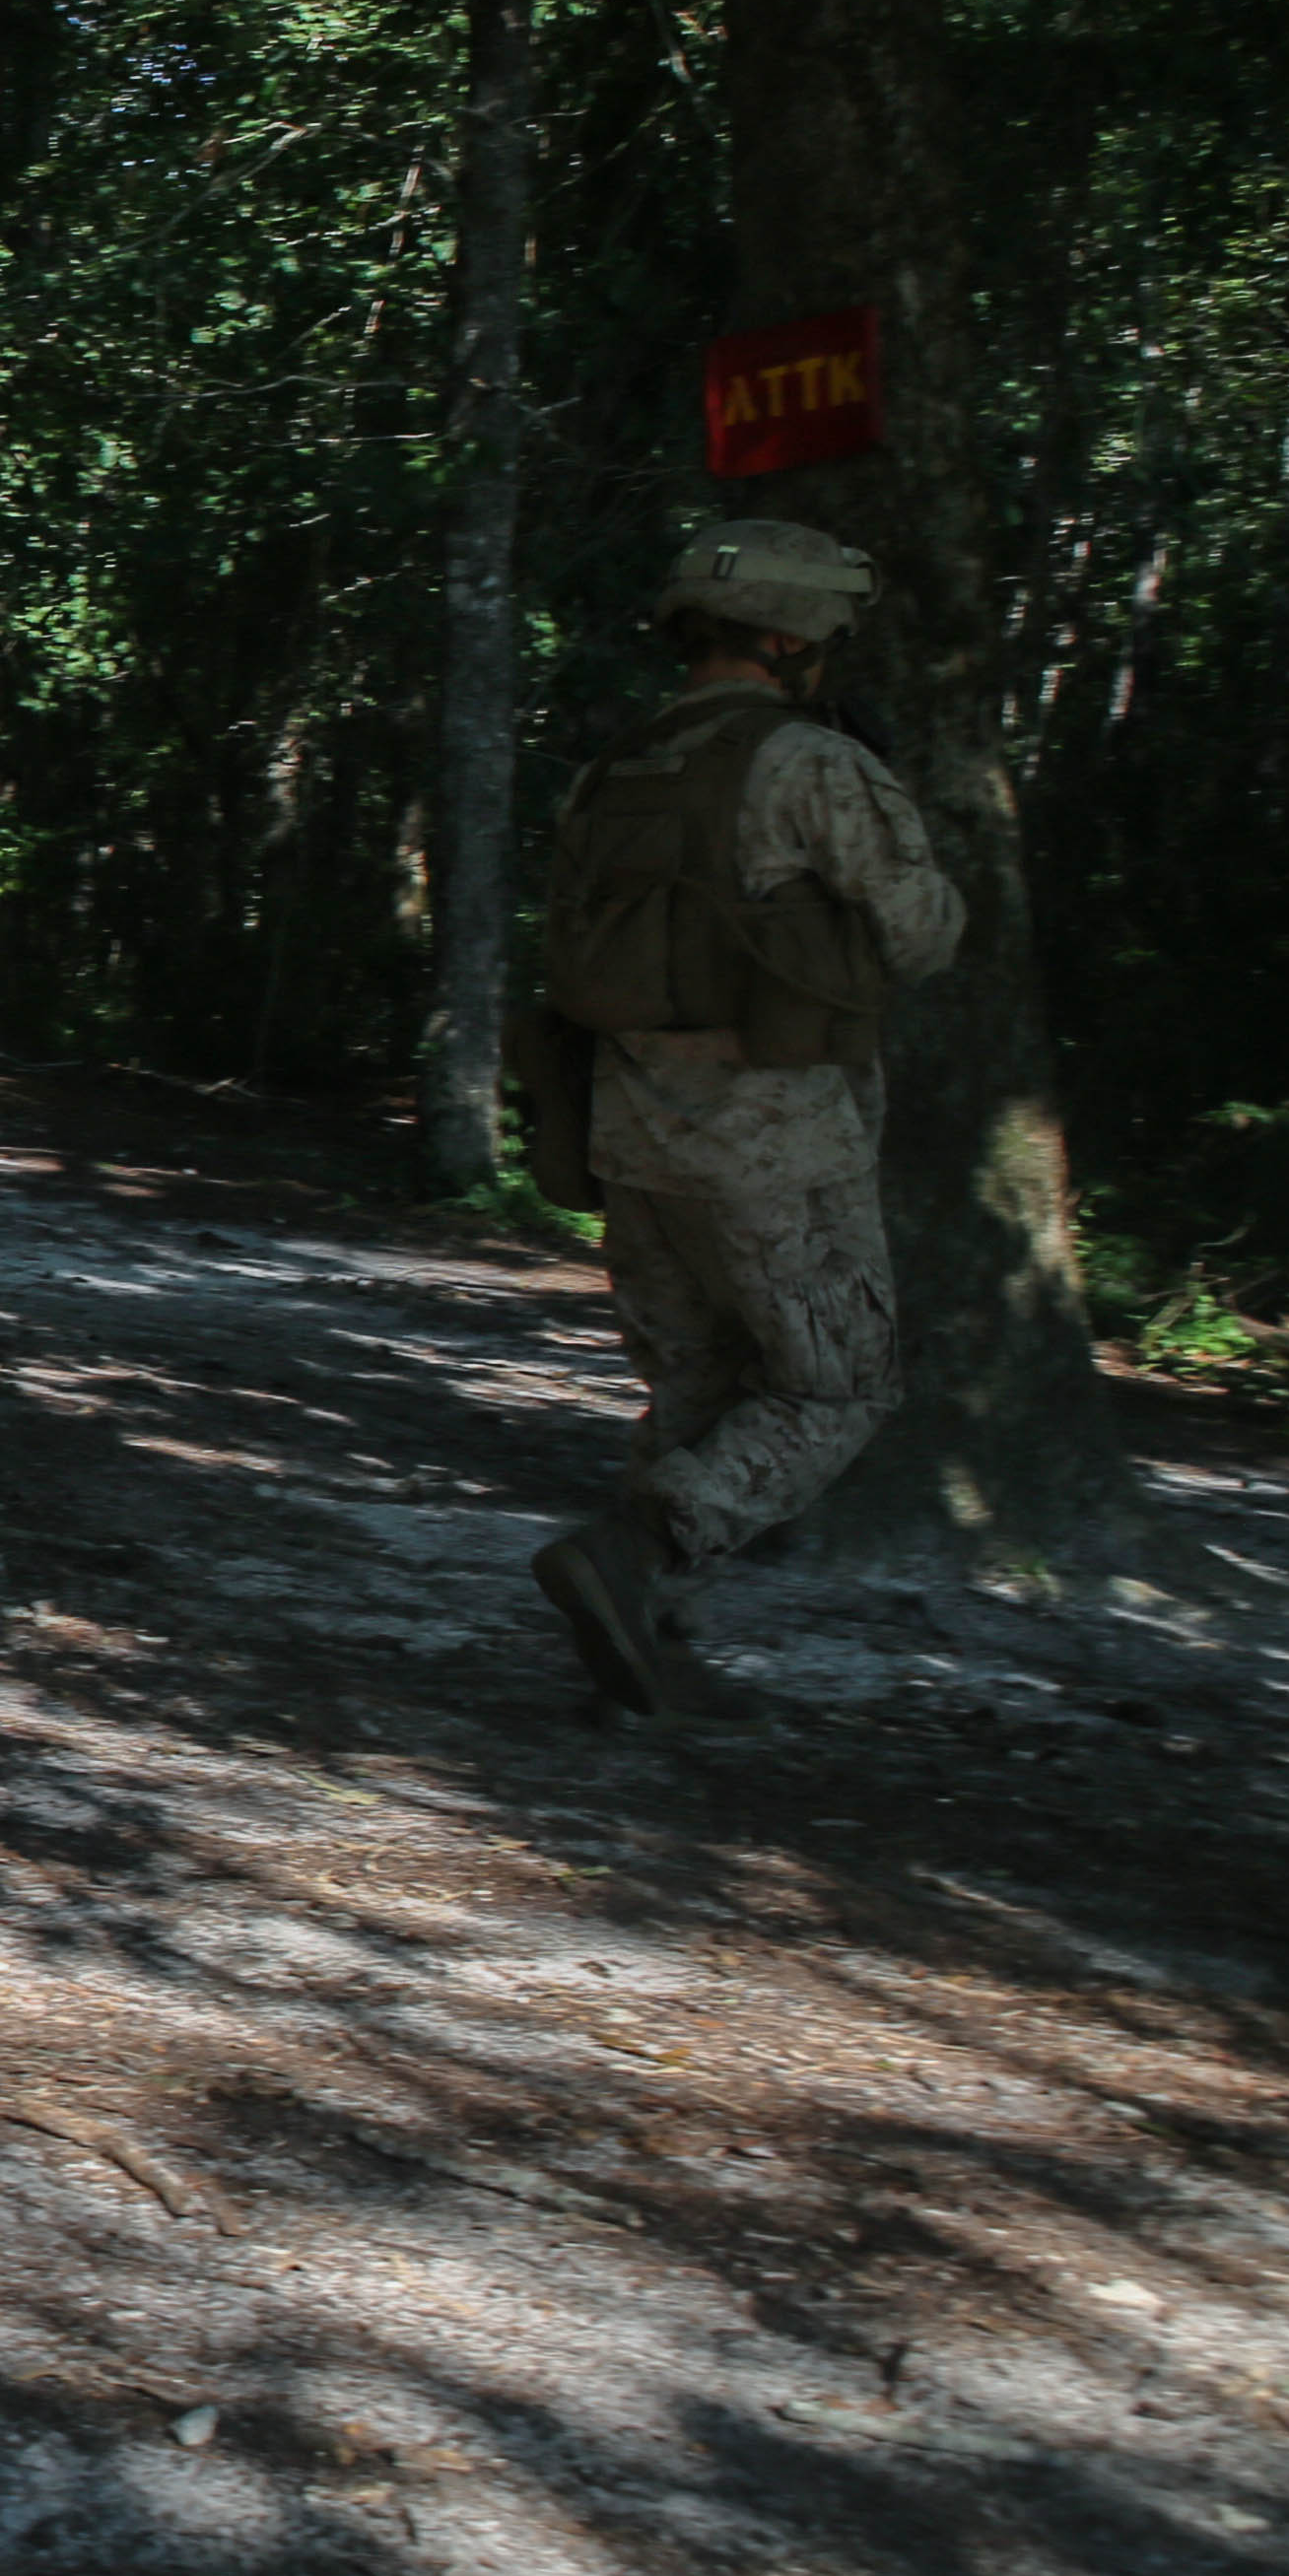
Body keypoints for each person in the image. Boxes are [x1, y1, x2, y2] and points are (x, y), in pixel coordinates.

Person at [525, 517, 961, 1718]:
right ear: (791, 634)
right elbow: (923, 932)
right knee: (840, 1387)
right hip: (777, 1137)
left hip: (632, 1133)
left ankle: (646, 1634)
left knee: (697, 1385)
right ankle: (639, 1553)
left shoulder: (615, 769)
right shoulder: (811, 763)